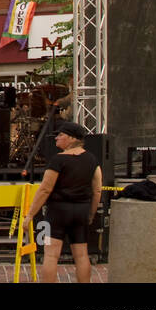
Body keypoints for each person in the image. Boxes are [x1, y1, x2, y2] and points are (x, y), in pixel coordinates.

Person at [25, 121, 102, 284]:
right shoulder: (92, 160)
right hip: (81, 211)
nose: (56, 138)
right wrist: (91, 214)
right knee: (81, 254)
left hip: (56, 213)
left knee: (51, 255)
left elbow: (45, 189)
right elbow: (97, 191)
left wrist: (30, 215)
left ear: (72, 139)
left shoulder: (57, 161)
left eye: (60, 135)